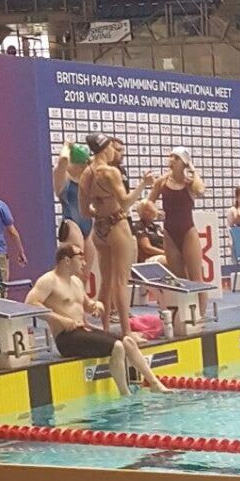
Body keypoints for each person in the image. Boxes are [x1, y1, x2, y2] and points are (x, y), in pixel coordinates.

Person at [27, 229, 170, 394]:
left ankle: (154, 383)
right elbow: (30, 304)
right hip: (66, 338)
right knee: (118, 346)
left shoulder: (76, 282)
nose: (84, 263)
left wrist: (97, 306)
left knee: (129, 342)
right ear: (66, 260)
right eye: (80, 258)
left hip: (83, 330)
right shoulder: (48, 281)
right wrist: (59, 320)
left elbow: (87, 305)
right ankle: (125, 394)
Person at [78, 135, 147, 339]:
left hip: (99, 230)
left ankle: (106, 330)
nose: (115, 152)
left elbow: (84, 211)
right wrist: (143, 184)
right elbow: (125, 203)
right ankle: (127, 332)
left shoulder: (86, 174)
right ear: (105, 149)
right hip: (117, 226)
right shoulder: (110, 172)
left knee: (106, 282)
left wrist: (100, 213)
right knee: (120, 281)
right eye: (112, 148)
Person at [151, 148, 208, 323]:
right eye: (170, 156)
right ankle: (184, 315)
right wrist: (155, 211)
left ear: (183, 162)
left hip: (188, 232)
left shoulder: (190, 182)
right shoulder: (162, 182)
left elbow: (201, 190)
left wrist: (192, 170)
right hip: (169, 233)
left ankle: (200, 316)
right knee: (179, 278)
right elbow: (148, 202)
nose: (171, 160)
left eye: (176, 158)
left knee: (196, 277)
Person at [53, 143, 93, 238]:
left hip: (89, 226)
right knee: (75, 253)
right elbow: (63, 159)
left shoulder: (86, 178)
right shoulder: (62, 178)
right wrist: (66, 145)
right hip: (71, 227)